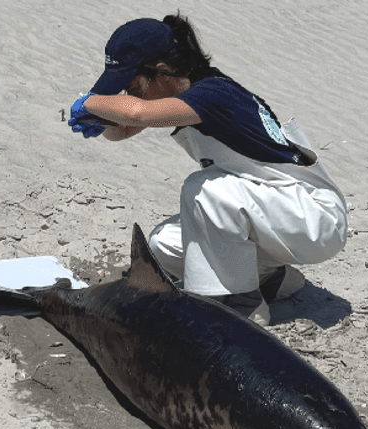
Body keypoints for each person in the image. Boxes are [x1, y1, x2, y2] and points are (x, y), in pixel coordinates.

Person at [68, 15, 348, 325]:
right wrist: (100, 121)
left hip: (315, 217)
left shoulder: (212, 94)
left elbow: (138, 113)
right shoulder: (186, 92)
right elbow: (123, 127)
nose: (129, 95)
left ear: (161, 72)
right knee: (165, 246)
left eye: (132, 86)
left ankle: (244, 308)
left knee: (204, 190)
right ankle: (271, 278)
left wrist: (89, 103)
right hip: (280, 213)